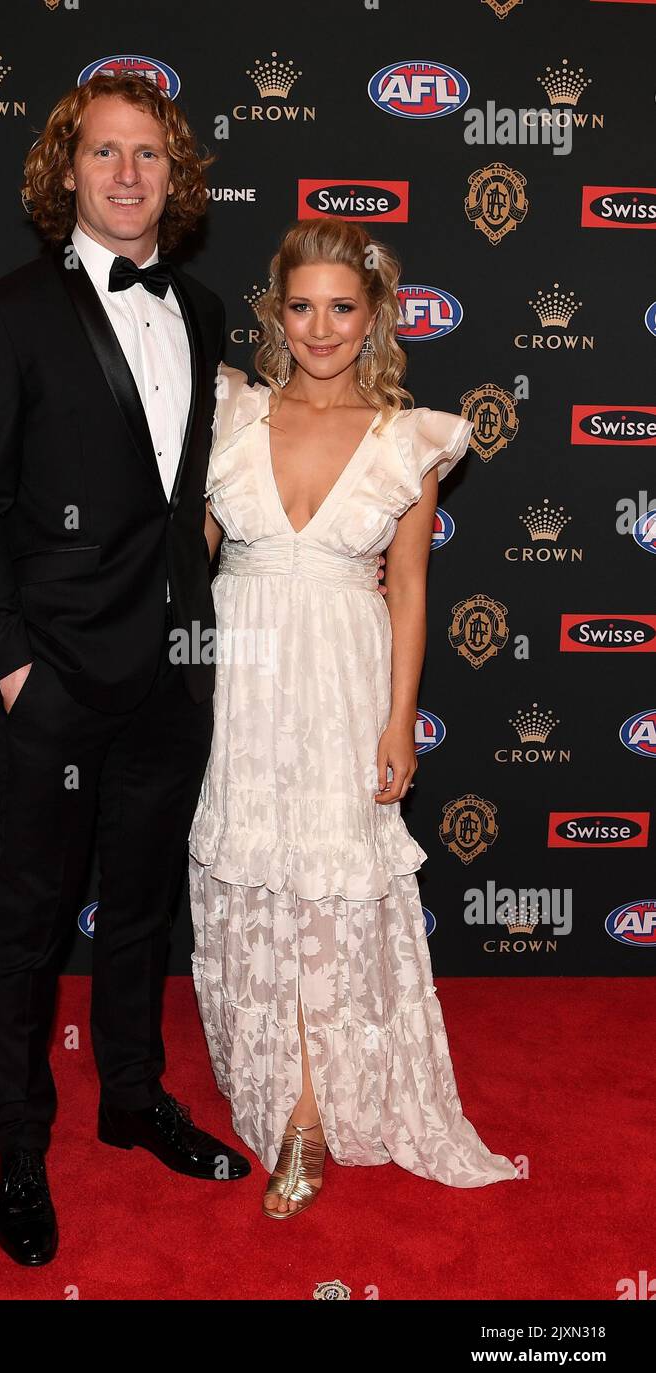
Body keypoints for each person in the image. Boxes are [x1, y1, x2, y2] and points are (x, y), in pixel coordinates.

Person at [0, 72, 251, 1268]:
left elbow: (186, 493)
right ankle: (19, 1140)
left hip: (173, 662)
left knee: (139, 908)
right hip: (56, 670)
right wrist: (7, 665)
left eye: (150, 155)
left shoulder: (207, 309)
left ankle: (131, 1097)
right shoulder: (4, 311)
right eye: (106, 153)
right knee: (28, 920)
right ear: (65, 170)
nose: (128, 175)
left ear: (177, 177)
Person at [189, 216, 518, 1219]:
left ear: (371, 314)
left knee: (327, 889)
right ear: (273, 313)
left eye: (341, 306)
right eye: (300, 307)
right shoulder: (230, 417)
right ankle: (281, 1095)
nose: (320, 327)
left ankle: (314, 1118)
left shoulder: (407, 440)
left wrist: (398, 719)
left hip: (342, 680)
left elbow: (409, 592)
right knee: (255, 878)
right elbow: (183, 560)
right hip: (237, 680)